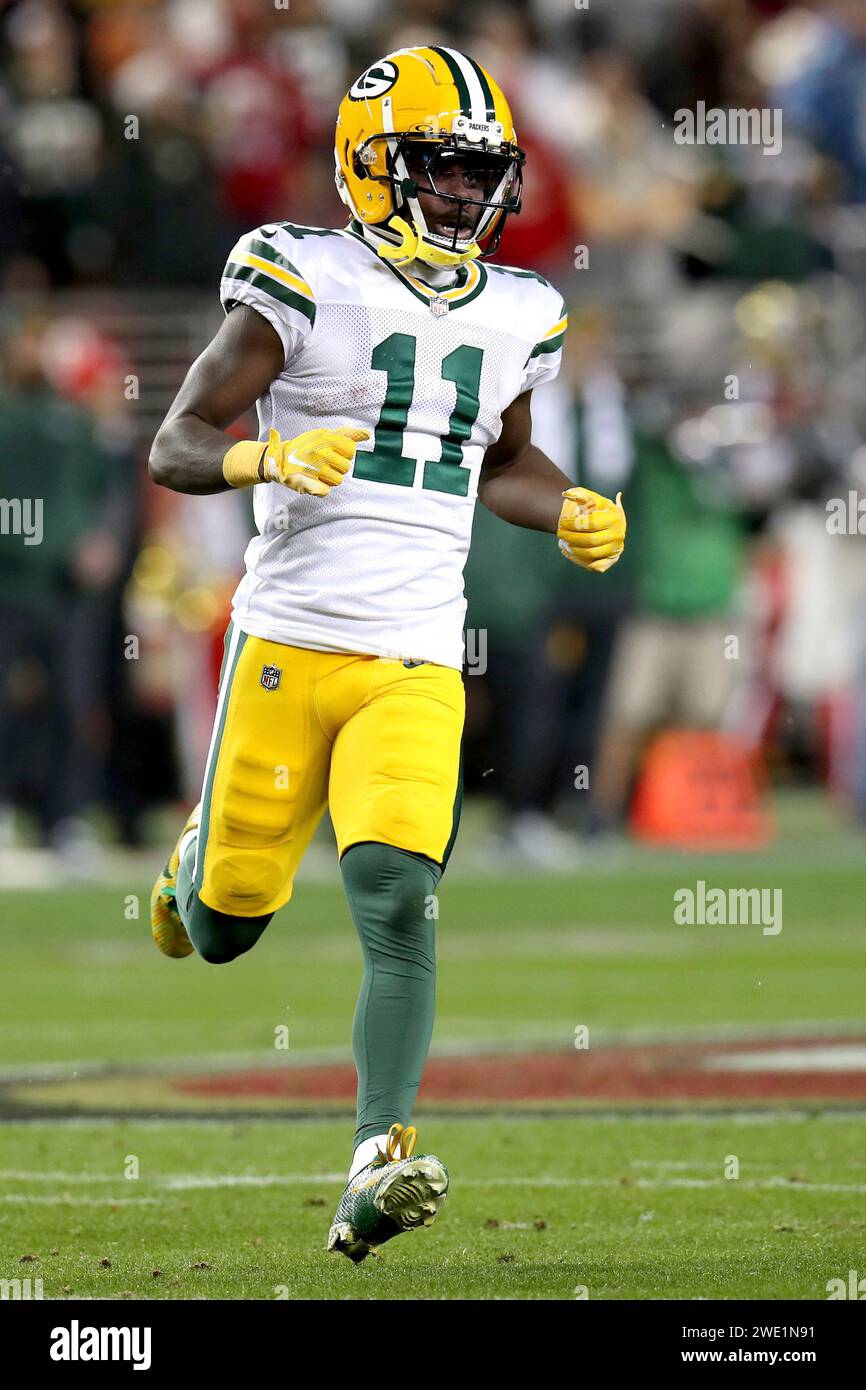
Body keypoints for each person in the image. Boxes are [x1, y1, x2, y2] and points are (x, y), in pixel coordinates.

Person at [147, 46, 626, 1263]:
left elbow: (503, 460)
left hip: (413, 653)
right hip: (287, 641)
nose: (464, 194)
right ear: (371, 166)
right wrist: (263, 457)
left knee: (396, 893)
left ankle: (375, 1160)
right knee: (226, 926)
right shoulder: (301, 276)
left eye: (479, 174)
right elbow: (177, 439)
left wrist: (568, 504)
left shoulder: (519, 310)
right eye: (440, 168)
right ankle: (194, 868)